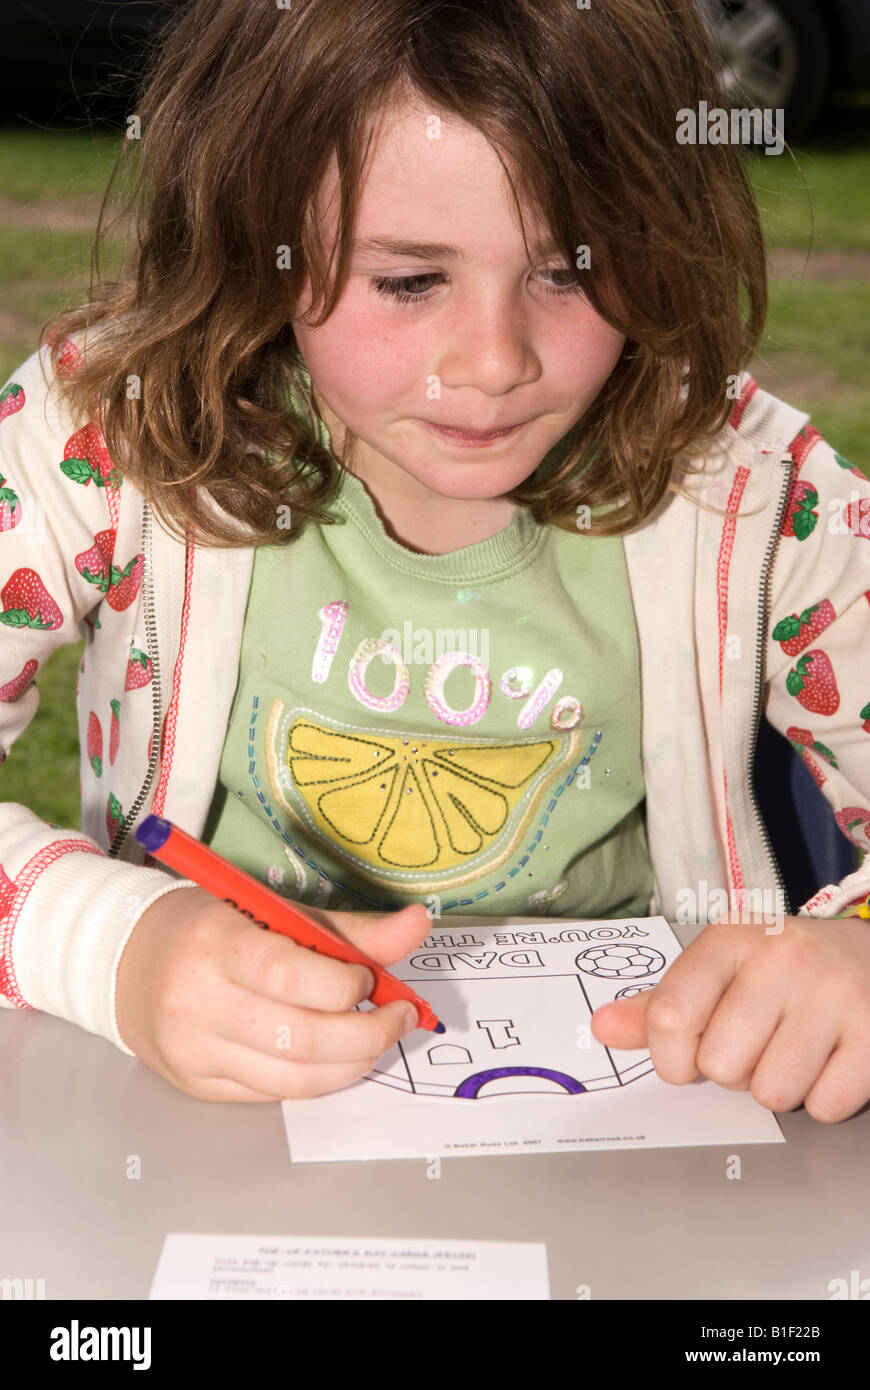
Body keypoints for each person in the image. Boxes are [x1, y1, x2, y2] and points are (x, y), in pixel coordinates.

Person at [1, 0, 868, 1116]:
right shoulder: (110, 434)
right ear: (251, 230)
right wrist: (111, 945)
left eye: (568, 272)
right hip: (206, 1129)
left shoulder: (761, 490)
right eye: (408, 282)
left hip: (637, 1135)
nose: (495, 362)